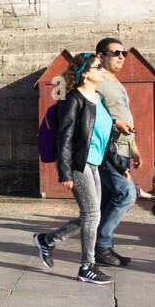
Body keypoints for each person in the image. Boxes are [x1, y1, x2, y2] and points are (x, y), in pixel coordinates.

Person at [31, 52, 115, 285]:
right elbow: (64, 138)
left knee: (92, 216)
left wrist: (119, 165)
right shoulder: (72, 100)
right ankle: (87, 267)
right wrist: (65, 171)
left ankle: (47, 240)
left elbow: (104, 138)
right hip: (79, 164)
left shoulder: (99, 99)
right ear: (84, 73)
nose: (102, 69)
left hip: (95, 163)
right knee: (92, 214)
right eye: (98, 66)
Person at [93, 38, 138, 268]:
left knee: (108, 200)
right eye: (115, 53)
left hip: (122, 150)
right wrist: (114, 124)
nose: (121, 57)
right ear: (101, 56)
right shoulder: (97, 81)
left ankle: (101, 247)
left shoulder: (116, 83)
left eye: (124, 53)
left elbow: (125, 115)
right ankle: (101, 244)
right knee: (127, 194)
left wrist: (135, 148)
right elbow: (90, 116)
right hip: (108, 151)